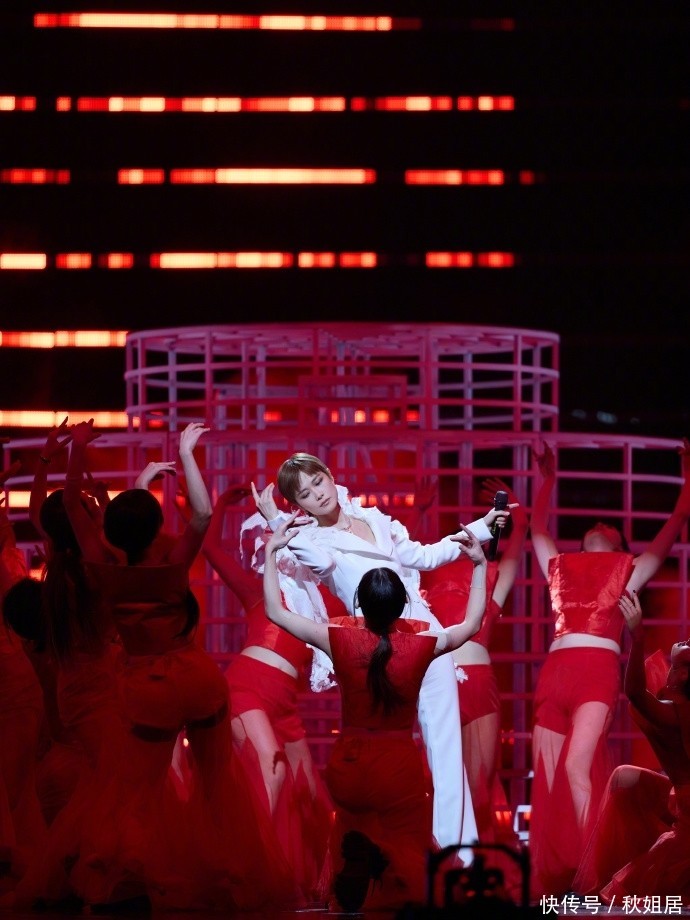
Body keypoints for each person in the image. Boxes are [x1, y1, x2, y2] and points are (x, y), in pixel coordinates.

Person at [51, 419, 294, 910]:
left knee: (138, 788)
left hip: (149, 689)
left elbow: (74, 505)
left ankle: (129, 876)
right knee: (217, 783)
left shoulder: (104, 568)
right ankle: (231, 874)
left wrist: (75, 449)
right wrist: (186, 454)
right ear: (155, 528)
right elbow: (201, 515)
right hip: (196, 679)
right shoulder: (170, 563)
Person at [253, 452, 512, 859]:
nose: (317, 495)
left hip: (424, 637)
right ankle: (386, 860)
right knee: (387, 752)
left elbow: (425, 556)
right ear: (298, 505)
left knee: (447, 751)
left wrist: (482, 526)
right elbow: (317, 562)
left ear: (329, 476)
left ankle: (457, 857)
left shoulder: (374, 518)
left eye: (317, 482)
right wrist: (273, 519)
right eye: (304, 494)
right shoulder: (314, 542)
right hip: (377, 650)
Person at [262, 512, 489, 911]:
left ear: (359, 606)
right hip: (396, 768)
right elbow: (471, 625)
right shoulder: (422, 645)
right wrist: (480, 565)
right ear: (404, 605)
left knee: (353, 827)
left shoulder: (338, 639)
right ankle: (388, 869)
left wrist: (270, 553)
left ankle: (361, 865)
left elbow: (276, 613)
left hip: (348, 765)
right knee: (410, 846)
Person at [529, 440, 690, 897]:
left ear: (620, 547)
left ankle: (590, 872)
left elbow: (676, 522)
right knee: (547, 774)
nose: (599, 525)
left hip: (595, 673)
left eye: (609, 528)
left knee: (576, 768)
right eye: (592, 527)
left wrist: (687, 478)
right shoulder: (559, 568)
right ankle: (558, 875)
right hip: (555, 672)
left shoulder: (627, 571)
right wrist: (547, 482)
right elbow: (537, 528)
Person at [202, 485, 332, 902]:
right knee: (271, 772)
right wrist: (222, 504)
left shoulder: (324, 597)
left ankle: (317, 886)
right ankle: (244, 874)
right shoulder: (258, 589)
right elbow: (210, 548)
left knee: (310, 796)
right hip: (247, 689)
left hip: (285, 704)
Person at [420, 477, 527, 875]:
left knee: (480, 786)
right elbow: (409, 558)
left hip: (479, 684)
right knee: (440, 784)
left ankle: (475, 873)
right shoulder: (428, 580)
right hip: (437, 683)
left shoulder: (491, 580)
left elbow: (515, 549)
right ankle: (446, 870)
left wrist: (519, 513)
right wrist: (420, 513)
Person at [595, 593, 690, 904]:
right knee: (625, 777)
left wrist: (637, 637)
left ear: (684, 674)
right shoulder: (673, 707)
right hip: (683, 798)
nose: (687, 639)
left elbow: (635, 692)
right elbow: (639, 691)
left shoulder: (677, 712)